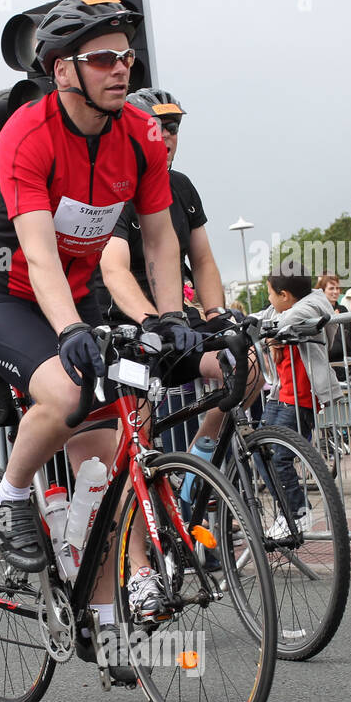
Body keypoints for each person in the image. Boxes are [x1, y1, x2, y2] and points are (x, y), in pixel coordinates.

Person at [0, 0, 184, 636]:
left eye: (127, 55)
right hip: (9, 295)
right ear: (63, 71)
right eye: (104, 57)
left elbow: (161, 239)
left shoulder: (142, 135)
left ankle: (106, 604)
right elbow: (38, 252)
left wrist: (170, 318)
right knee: (65, 391)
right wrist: (69, 332)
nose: (122, 68)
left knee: (118, 445)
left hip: (80, 294)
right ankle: (11, 494)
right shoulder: (25, 135)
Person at [90, 87, 260, 447]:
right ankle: (135, 498)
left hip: (174, 322)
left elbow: (201, 259)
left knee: (247, 366)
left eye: (174, 127)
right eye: (158, 126)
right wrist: (150, 320)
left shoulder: (180, 186)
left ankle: (201, 461)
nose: (167, 136)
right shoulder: (114, 189)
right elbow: (114, 270)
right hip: (128, 328)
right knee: (139, 439)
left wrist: (216, 312)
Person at [255, 262, 344, 526]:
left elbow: (288, 319)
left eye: (271, 293)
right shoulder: (280, 308)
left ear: (285, 295)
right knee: (259, 452)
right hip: (280, 396)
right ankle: (287, 511)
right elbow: (262, 318)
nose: (268, 299)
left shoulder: (312, 306)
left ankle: (298, 512)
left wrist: (271, 330)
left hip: (301, 399)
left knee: (280, 456)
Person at [317, 273, 351, 378]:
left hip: (346, 363)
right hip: (326, 364)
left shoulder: (343, 309)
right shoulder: (317, 311)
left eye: (337, 288)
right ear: (323, 291)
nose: (335, 292)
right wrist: (332, 319)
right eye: (331, 288)